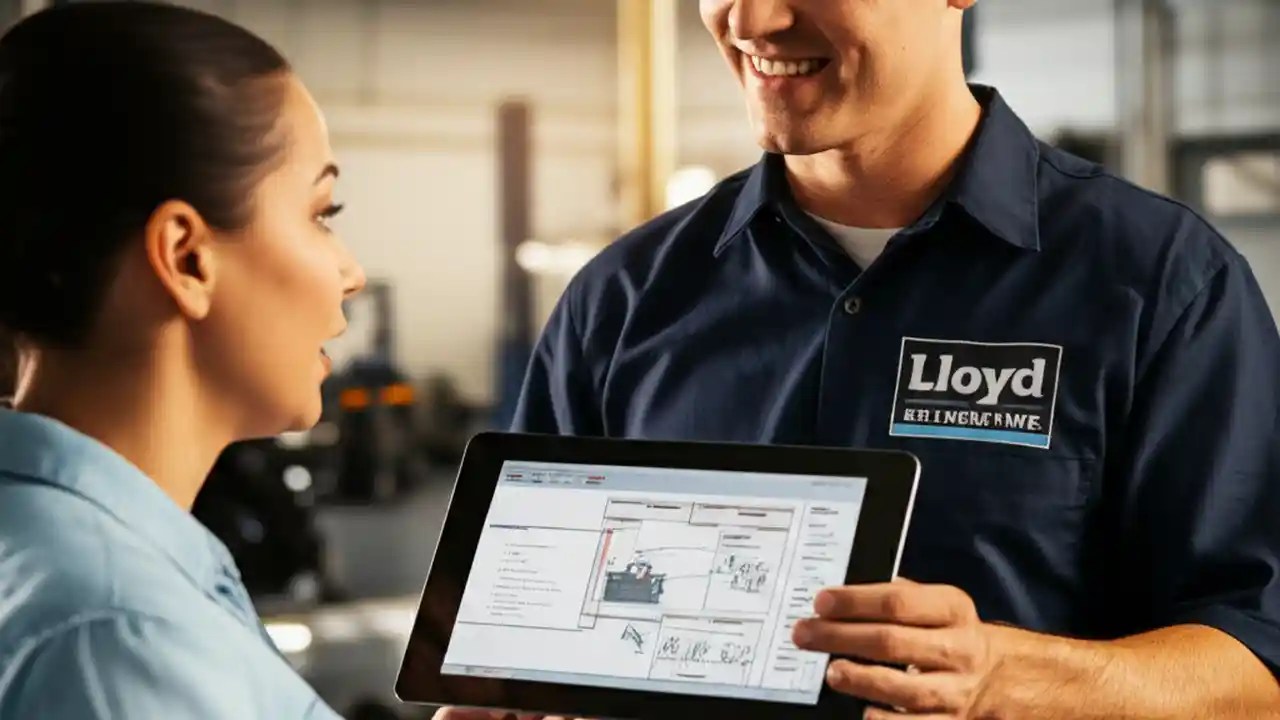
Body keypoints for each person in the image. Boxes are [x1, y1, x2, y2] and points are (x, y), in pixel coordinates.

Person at [443, 1, 1280, 718]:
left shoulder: (1160, 284)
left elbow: (1255, 671)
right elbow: (531, 641)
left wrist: (1003, 681)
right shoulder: (623, 300)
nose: (753, 19)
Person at [0, 3, 365, 718]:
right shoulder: (120, 639)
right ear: (186, 258)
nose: (349, 272)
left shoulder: (60, 550)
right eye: (322, 214)